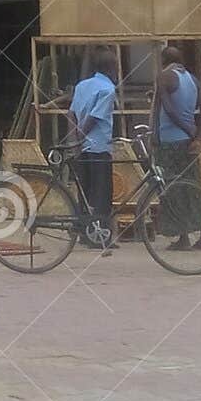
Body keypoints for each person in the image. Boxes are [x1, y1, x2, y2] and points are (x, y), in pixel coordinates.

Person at [152, 46, 201, 253]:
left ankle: (183, 237)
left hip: (170, 142)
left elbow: (168, 109)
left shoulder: (165, 76)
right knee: (192, 188)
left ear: (163, 61)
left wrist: (189, 129)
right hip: (188, 143)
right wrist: (198, 134)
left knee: (172, 188)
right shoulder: (192, 79)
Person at [69, 49, 119, 251]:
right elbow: (95, 117)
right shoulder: (108, 89)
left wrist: (74, 140)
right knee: (102, 192)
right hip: (99, 146)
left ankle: (84, 232)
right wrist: (82, 136)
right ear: (111, 68)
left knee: (85, 190)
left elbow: (71, 113)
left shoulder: (82, 86)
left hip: (82, 149)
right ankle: (100, 236)